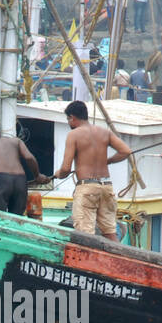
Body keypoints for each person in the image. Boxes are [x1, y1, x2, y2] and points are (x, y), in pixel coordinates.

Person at [54, 100, 132, 240]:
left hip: (87, 188)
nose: (68, 123)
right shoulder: (105, 132)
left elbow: (66, 168)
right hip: (106, 187)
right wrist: (108, 161)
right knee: (110, 232)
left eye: (68, 119)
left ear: (72, 117)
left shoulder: (73, 135)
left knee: (85, 234)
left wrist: (58, 174)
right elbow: (125, 151)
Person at [0, 121, 48, 215]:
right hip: (20, 180)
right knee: (16, 217)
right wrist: (37, 175)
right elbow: (29, 157)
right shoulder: (16, 141)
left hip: (1, 180)